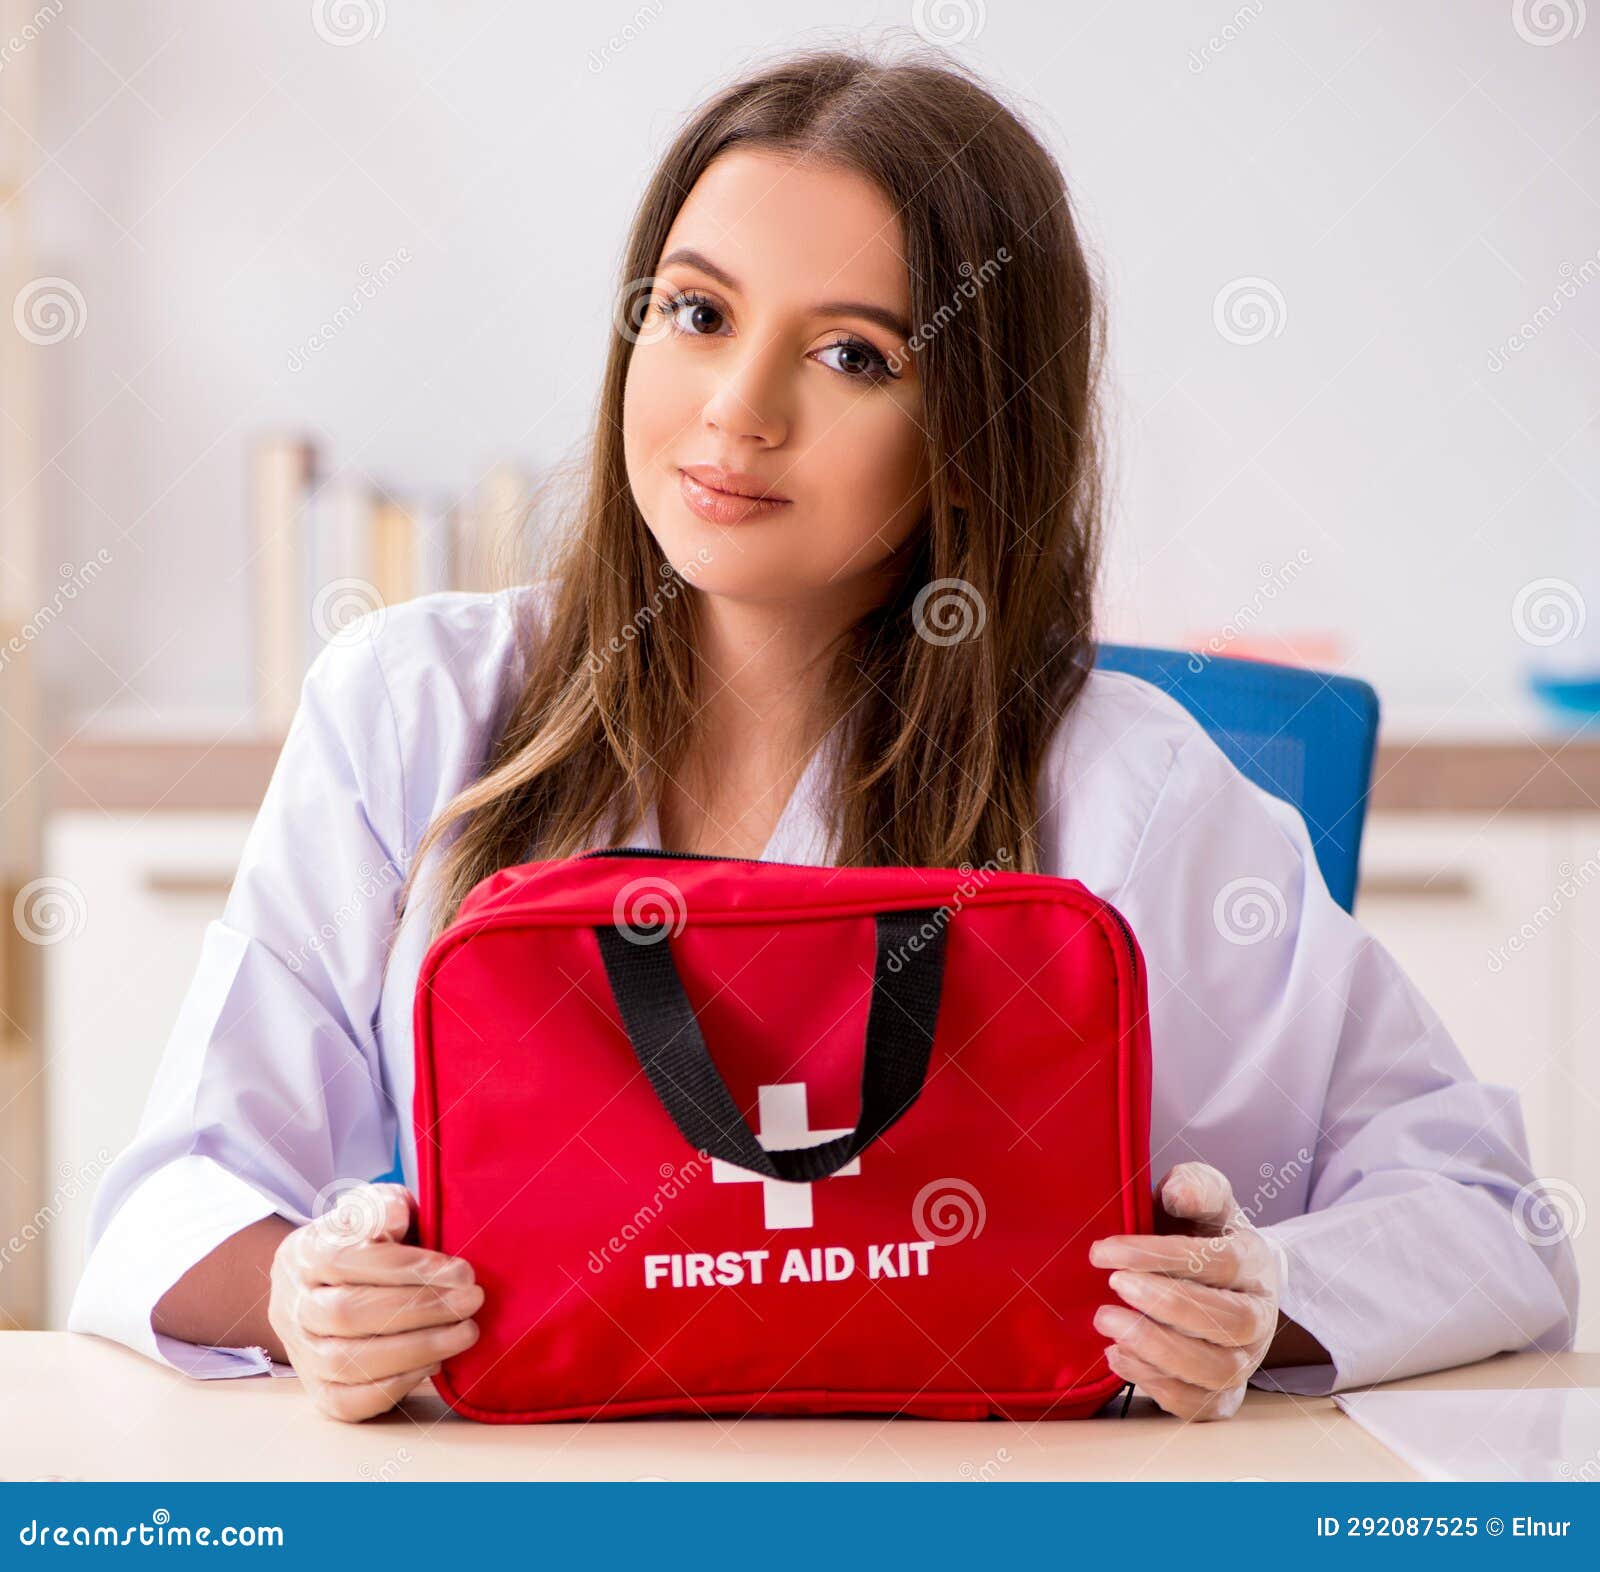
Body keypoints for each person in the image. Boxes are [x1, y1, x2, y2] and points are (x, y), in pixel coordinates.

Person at [69, 47, 1577, 1425]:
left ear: (974, 441)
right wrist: (302, 1298)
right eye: (698, 314)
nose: (737, 409)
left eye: (853, 356)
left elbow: (1490, 1216)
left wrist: (1257, 1303)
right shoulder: (409, 708)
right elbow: (168, 1201)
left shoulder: (1135, 784)